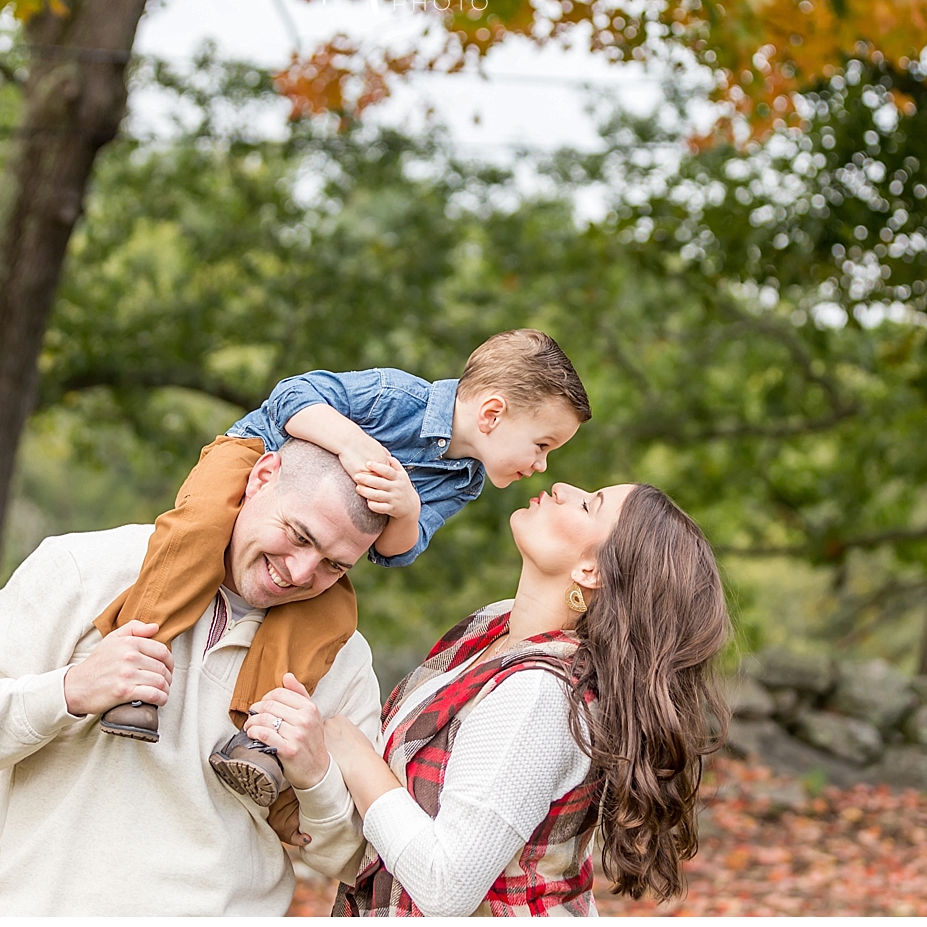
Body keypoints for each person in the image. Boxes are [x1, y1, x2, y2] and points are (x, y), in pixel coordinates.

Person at [93, 329, 592, 811]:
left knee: (331, 614)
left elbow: (396, 551)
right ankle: (137, 659)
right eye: (542, 445)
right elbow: (293, 396)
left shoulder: (465, 481)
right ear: (492, 413)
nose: (542, 465)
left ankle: (258, 735)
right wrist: (353, 447)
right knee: (197, 532)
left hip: (323, 539)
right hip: (258, 459)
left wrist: (407, 509)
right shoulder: (397, 398)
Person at [0, 440, 390, 917]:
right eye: (299, 535)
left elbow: (351, 859)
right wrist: (70, 690)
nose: (301, 572)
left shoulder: (343, 661)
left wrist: (316, 777)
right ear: (262, 478)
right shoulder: (86, 567)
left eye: (334, 565)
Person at [244, 482, 731, 916]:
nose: (562, 487)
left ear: (592, 570)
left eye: (589, 505)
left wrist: (352, 753)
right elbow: (398, 814)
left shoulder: (539, 694)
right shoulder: (491, 630)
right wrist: (316, 783)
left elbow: (445, 889)